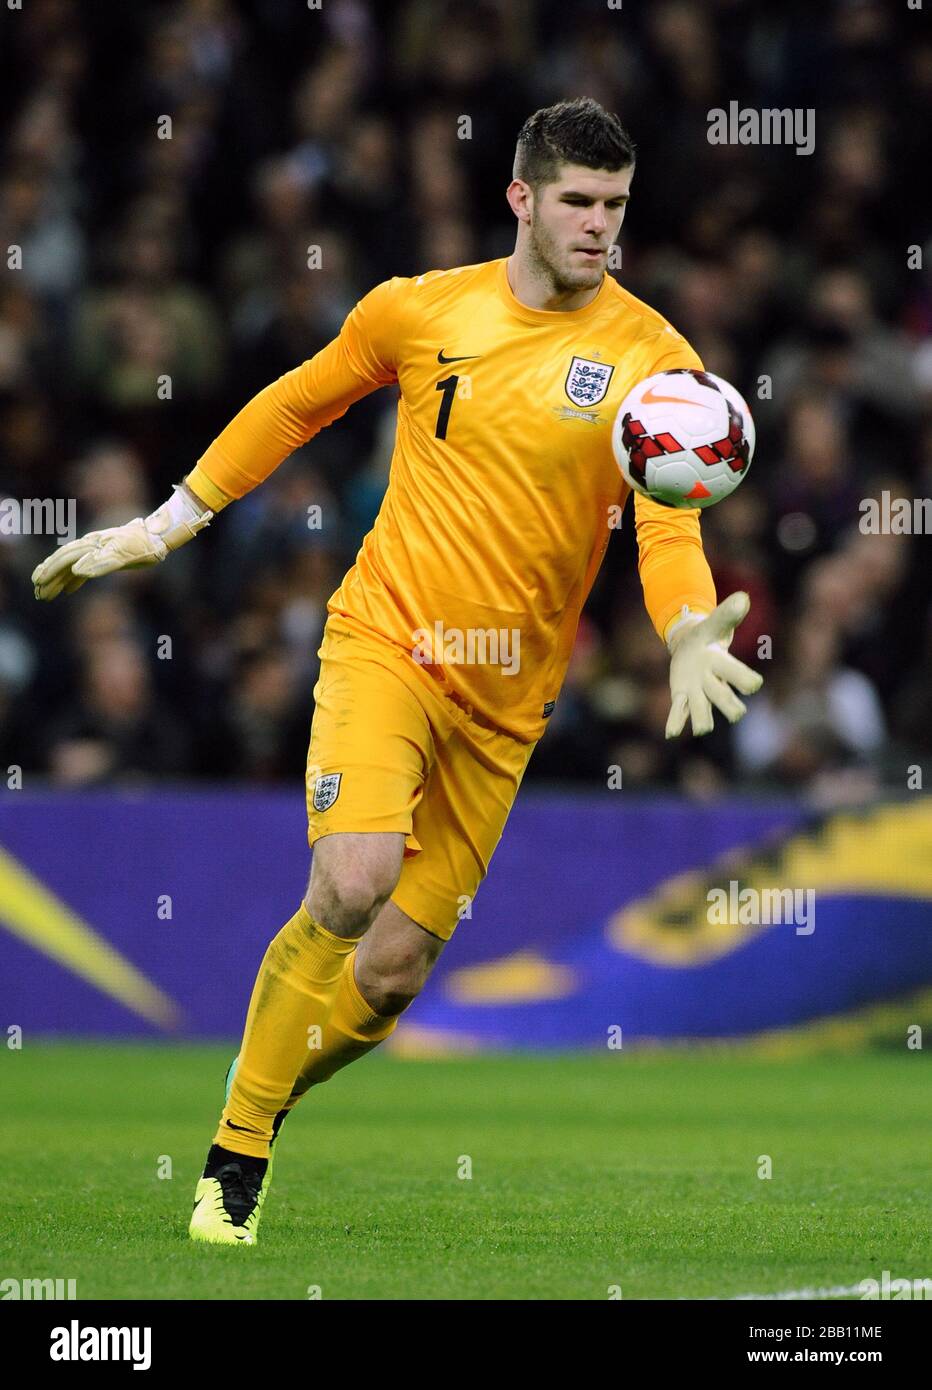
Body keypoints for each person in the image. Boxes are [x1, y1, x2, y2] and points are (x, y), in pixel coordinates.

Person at [31, 98, 763, 1245]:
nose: (597, 227)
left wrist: (682, 632)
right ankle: (235, 1157)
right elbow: (297, 401)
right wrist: (167, 524)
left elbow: (667, 528)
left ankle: (266, 1069)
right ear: (520, 197)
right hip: (385, 641)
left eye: (614, 207)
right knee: (350, 881)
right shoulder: (419, 312)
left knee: (386, 977)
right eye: (576, 201)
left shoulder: (654, 362)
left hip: (505, 710)